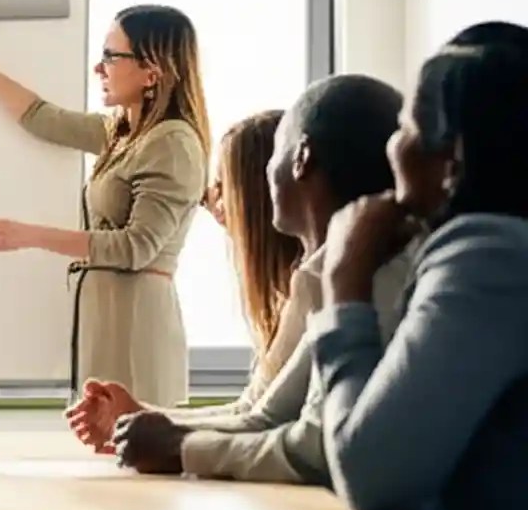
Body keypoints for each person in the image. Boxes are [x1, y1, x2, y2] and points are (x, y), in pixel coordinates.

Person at [315, 41, 528, 510]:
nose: (392, 146)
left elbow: (369, 472)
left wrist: (345, 283)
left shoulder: (485, 257)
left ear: (451, 158)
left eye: (405, 127)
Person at [109, 75, 410, 483]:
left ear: (301, 158)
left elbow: (305, 441)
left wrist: (179, 445)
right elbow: (266, 413)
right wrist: (153, 425)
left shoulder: (354, 279)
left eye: (277, 154)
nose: (210, 201)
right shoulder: (339, 270)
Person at [0, 4, 210, 407]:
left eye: (111, 56)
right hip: (104, 319)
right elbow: (41, 117)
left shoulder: (172, 143)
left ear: (152, 71)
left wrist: (29, 235)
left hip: (136, 326)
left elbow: (135, 247)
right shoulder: (122, 133)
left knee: (130, 453)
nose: (99, 68)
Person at [64, 110, 300, 448]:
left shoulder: (311, 290)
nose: (208, 200)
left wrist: (154, 432)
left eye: (222, 185)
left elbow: (261, 421)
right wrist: (139, 417)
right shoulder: (289, 293)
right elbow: (251, 409)